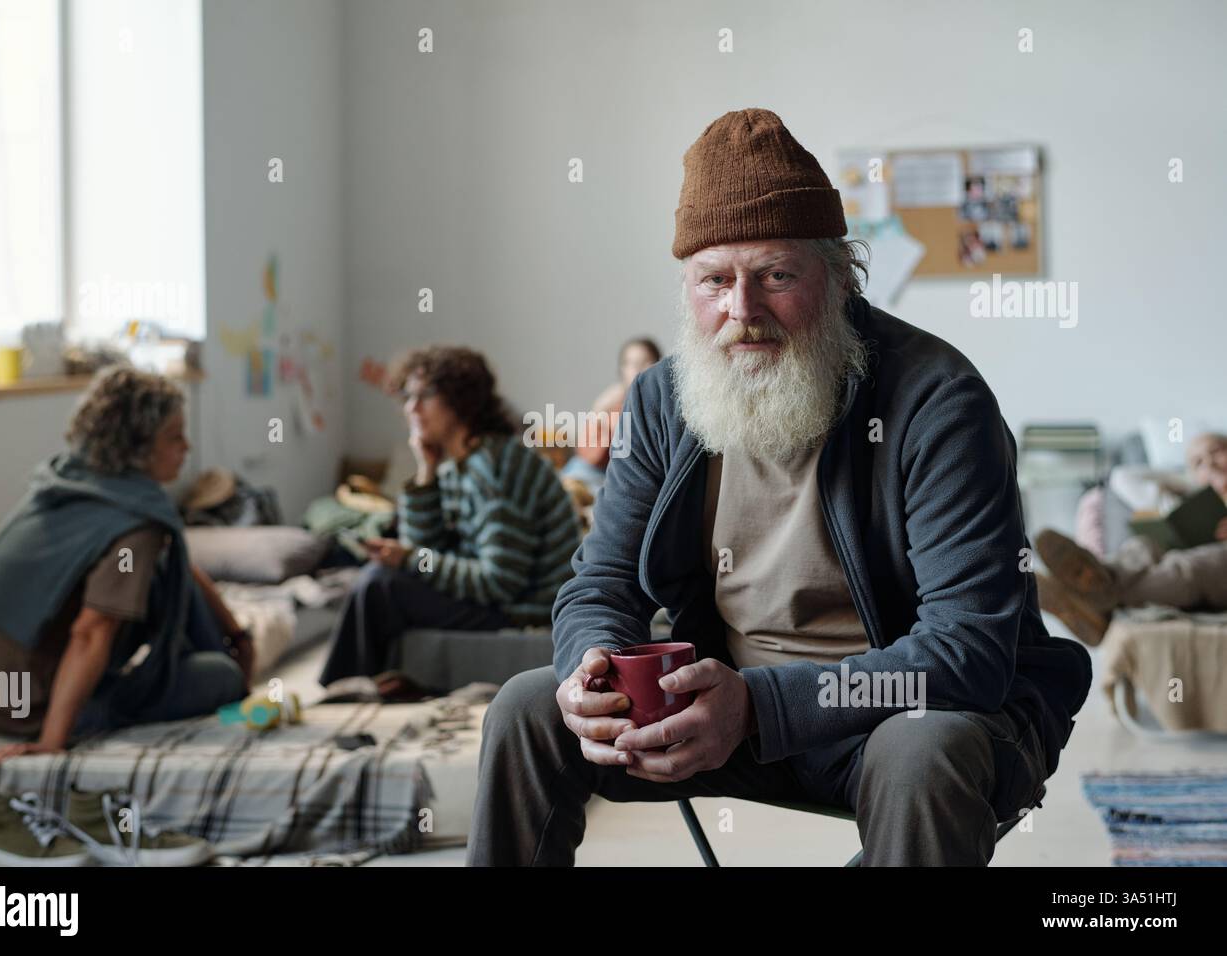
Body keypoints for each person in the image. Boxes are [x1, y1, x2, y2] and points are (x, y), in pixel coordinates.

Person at [467, 108, 1091, 867]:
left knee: (925, 751)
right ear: (687, 290)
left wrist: (760, 708)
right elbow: (599, 580)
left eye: (776, 275)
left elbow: (968, 649)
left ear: (839, 276)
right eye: (714, 281)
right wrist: (587, 670)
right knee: (527, 709)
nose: (742, 310)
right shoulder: (664, 399)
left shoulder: (938, 399)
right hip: (719, 708)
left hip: (887, 720)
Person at [0, 365, 253, 759]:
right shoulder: (133, 523)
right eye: (174, 437)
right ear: (138, 446)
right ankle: (217, 677)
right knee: (222, 676)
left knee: (166, 572)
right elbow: (92, 631)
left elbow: (179, 569)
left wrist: (237, 634)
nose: (187, 447)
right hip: (25, 711)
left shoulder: (69, 482)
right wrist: (50, 742)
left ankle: (201, 658)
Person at [319, 346, 583, 685]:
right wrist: (425, 470)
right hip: (498, 595)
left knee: (378, 587)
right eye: (407, 396)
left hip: (523, 605)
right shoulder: (457, 464)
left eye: (425, 395)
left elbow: (498, 582)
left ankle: (343, 688)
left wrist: (410, 559)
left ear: (462, 400)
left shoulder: (495, 467)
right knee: (379, 579)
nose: (411, 408)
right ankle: (360, 684)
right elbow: (427, 549)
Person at [1035, 431, 1227, 646]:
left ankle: (1104, 601)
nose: (1209, 462)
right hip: (1183, 552)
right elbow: (1122, 477)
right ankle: (1103, 574)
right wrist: (1185, 479)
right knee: (1143, 545)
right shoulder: (1187, 497)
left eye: (1216, 452)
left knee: (1190, 567)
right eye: (1198, 462)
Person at [561, 338, 661, 493]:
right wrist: (599, 409)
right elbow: (588, 452)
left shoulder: (657, 406)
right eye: (631, 363)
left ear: (657, 366)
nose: (638, 369)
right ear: (622, 369)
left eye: (646, 362)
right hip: (587, 470)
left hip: (616, 480)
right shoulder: (614, 400)